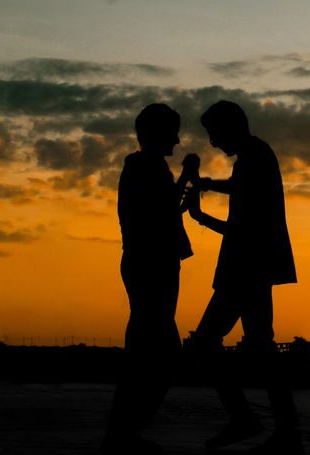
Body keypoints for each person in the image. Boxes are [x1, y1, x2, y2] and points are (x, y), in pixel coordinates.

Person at [184, 100, 300, 453]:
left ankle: (245, 418)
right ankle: (286, 432)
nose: (214, 143)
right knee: (263, 349)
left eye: (215, 135)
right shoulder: (256, 156)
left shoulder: (254, 158)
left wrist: (201, 215)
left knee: (205, 343)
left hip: (244, 270)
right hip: (256, 268)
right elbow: (242, 193)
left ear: (229, 129)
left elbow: (240, 227)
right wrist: (207, 186)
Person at [102, 103, 196, 454]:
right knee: (158, 351)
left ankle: (124, 430)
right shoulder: (144, 166)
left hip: (150, 262)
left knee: (148, 349)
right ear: (157, 134)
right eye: (172, 131)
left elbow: (164, 208)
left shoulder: (146, 166)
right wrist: (187, 174)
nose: (177, 138)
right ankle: (124, 432)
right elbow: (163, 210)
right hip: (151, 263)